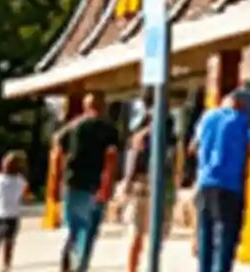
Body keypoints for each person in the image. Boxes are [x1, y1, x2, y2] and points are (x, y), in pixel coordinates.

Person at [54, 93, 120, 272]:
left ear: (85, 106)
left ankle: (69, 262)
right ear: (103, 107)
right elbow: (111, 158)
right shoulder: (108, 129)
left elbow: (57, 152)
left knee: (75, 228)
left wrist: (56, 182)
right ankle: (81, 266)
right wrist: (106, 187)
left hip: (72, 183)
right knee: (89, 231)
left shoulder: (71, 127)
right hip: (95, 185)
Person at [192, 90, 250, 272]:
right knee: (226, 238)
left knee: (206, 235)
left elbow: (194, 145)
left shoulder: (207, 118)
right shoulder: (241, 121)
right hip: (230, 185)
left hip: (205, 182)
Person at [120, 89, 175, 272]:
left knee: (136, 232)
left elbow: (134, 152)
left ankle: (132, 268)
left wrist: (127, 181)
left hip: (140, 183)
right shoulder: (168, 123)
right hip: (160, 182)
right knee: (157, 233)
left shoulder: (139, 125)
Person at [0, 151, 31, 272]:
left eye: (9, 163)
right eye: (5, 162)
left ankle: (5, 267)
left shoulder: (20, 180)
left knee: (8, 246)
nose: (6, 165)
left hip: (12, 216)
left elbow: (26, 197)